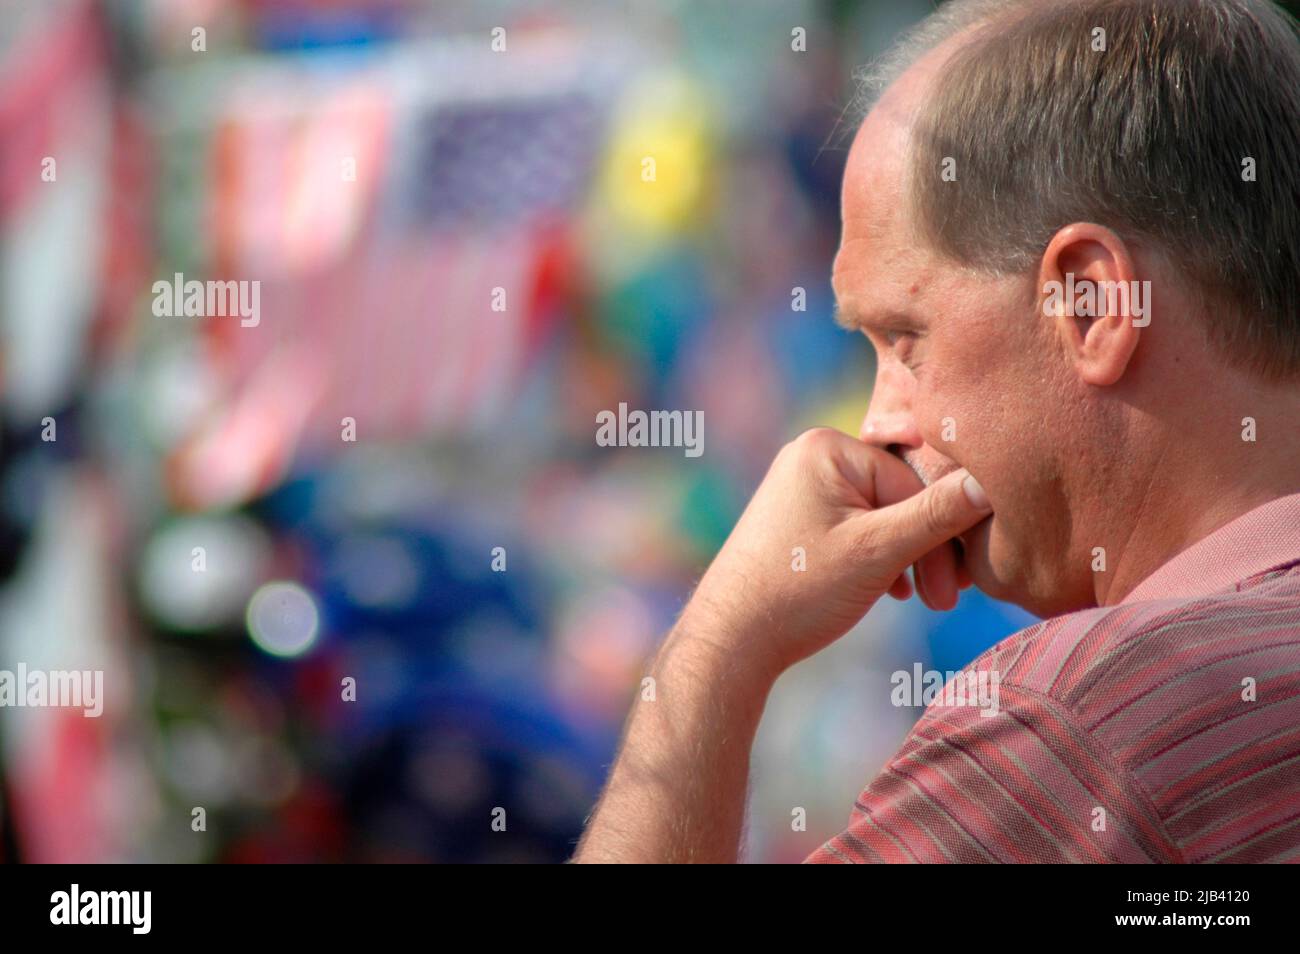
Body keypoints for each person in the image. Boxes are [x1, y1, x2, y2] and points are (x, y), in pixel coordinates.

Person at [572, 0, 1300, 863]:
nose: (877, 426)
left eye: (903, 342)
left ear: (1091, 303)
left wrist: (719, 647)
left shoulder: (1072, 726)